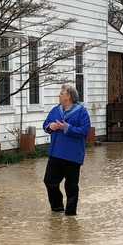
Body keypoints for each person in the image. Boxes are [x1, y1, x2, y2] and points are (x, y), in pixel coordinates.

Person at [43, 83, 91, 216]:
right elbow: (45, 125)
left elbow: (84, 131)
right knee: (49, 182)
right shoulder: (55, 110)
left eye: (62, 93)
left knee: (71, 186)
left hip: (73, 155)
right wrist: (50, 127)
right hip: (56, 153)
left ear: (69, 96)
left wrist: (66, 128)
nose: (59, 95)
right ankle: (57, 209)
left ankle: (70, 215)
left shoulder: (81, 111)